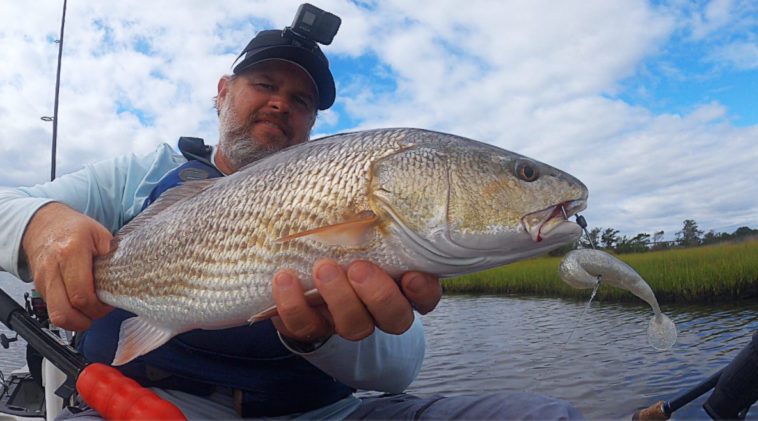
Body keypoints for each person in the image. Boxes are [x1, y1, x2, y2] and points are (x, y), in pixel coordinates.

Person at [0, 9, 583, 421]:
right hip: (147, 407)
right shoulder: (140, 174)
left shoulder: (394, 222)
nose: (281, 102)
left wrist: (323, 336)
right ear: (223, 92)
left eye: (301, 100)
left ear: (312, 123)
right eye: (264, 83)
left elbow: (400, 372)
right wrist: (42, 226)